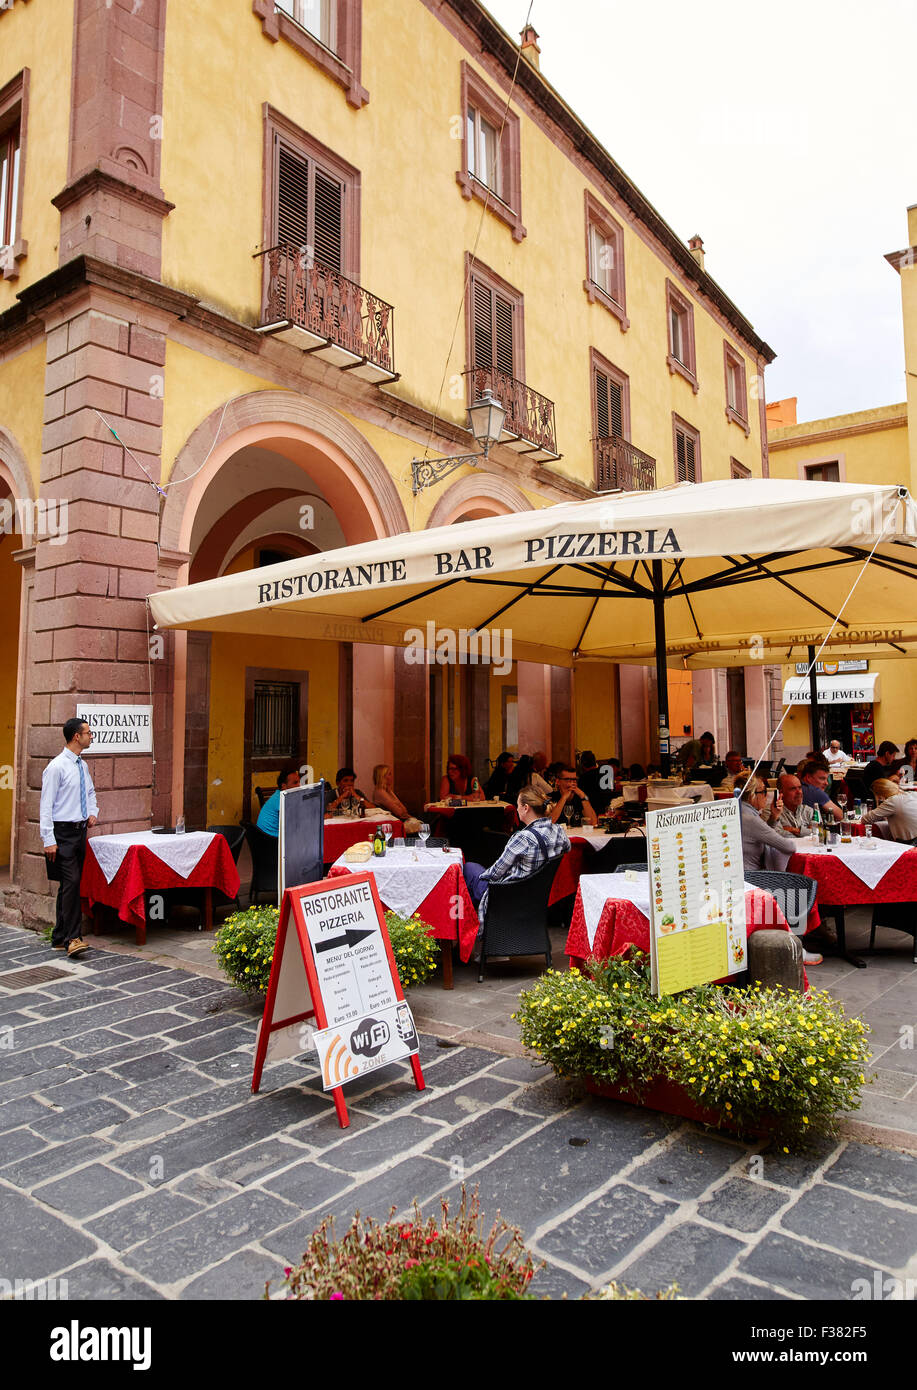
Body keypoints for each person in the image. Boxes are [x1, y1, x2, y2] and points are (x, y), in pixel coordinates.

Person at [463, 785, 570, 928]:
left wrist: (480, 877)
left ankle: (469, 931)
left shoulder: (523, 838)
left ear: (526, 807)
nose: (517, 809)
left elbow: (495, 873)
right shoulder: (558, 831)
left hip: (510, 897)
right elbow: (567, 847)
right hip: (539, 897)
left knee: (469, 869)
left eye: (518, 805)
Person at [40, 717, 99, 958]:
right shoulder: (56, 767)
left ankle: (58, 937)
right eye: (88, 732)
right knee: (73, 883)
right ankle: (73, 939)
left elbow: (90, 791)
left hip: (79, 831)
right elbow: (46, 805)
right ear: (77, 736)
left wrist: (92, 811)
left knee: (69, 885)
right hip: (62, 834)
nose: (91, 736)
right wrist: (48, 840)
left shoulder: (81, 765)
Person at [864, 778, 917, 843]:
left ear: (879, 795)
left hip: (911, 844)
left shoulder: (893, 801)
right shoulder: (913, 794)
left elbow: (866, 819)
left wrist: (878, 803)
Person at [256, 763, 301, 837]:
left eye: (299, 782)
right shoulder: (282, 799)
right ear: (284, 786)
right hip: (271, 840)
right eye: (295, 783)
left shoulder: (279, 796)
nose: (299, 786)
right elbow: (294, 822)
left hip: (264, 838)